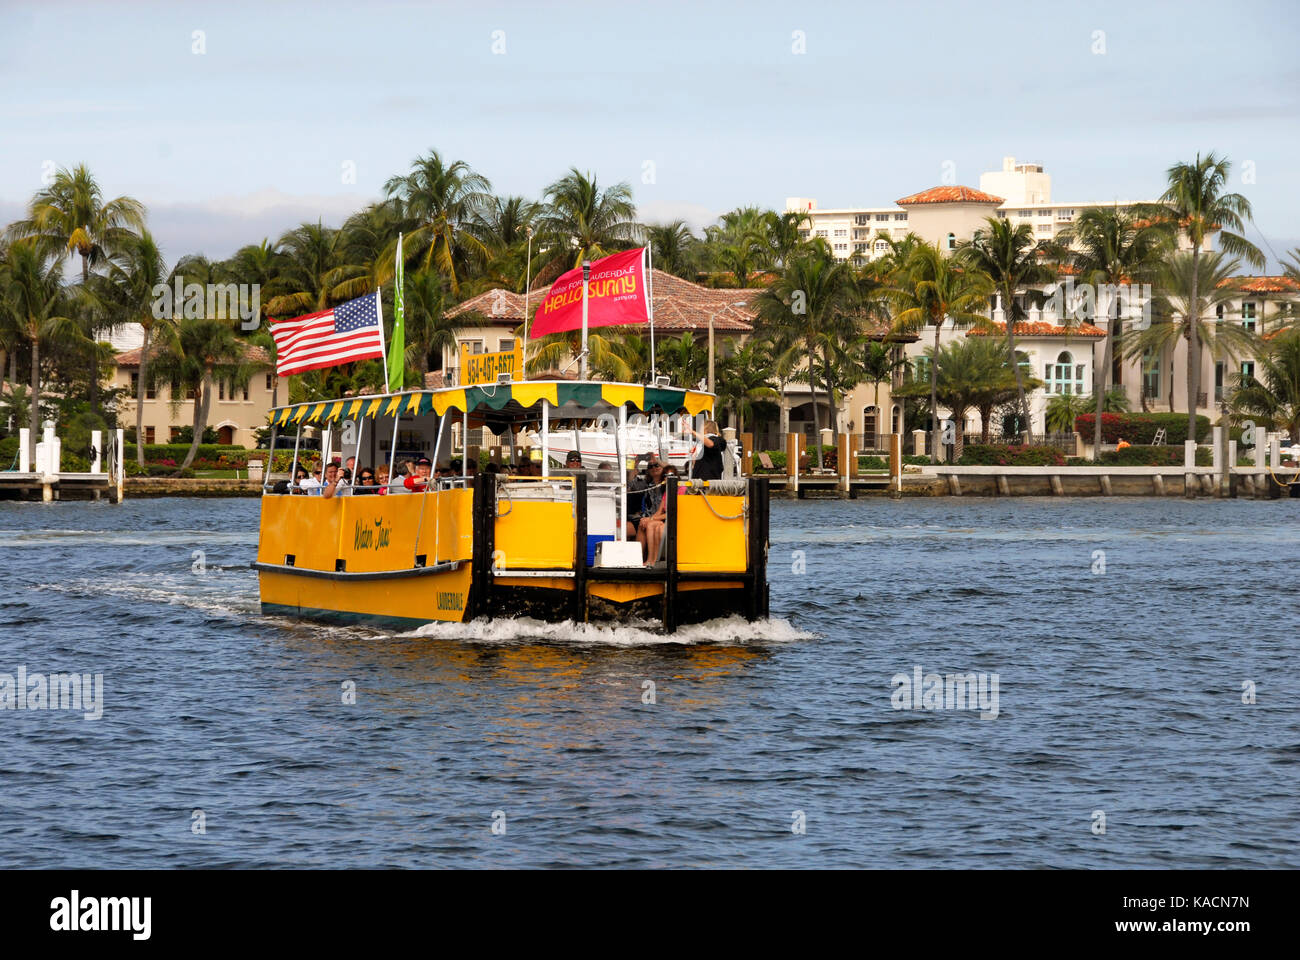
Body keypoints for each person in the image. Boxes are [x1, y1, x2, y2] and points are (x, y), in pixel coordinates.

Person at [639, 465, 678, 566]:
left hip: (675, 520)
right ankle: (650, 559)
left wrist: (652, 518)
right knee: (650, 524)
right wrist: (649, 519)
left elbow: (671, 513)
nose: (667, 478)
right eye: (665, 475)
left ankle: (656, 560)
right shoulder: (667, 490)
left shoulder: (681, 489)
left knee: (658, 527)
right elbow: (659, 511)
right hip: (665, 520)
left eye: (671, 475)